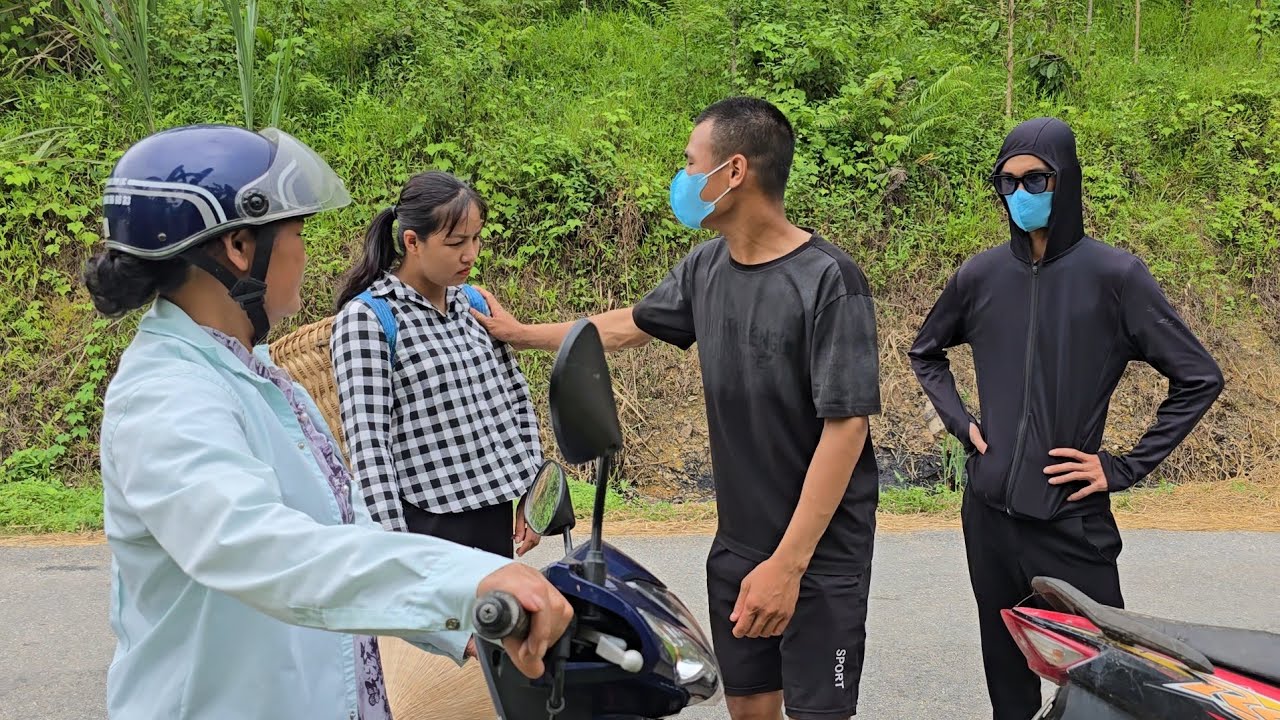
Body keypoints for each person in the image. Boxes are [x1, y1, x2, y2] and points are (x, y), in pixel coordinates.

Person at [84, 124, 572, 720]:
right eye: (297, 234)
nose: (305, 254)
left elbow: (345, 526)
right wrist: (465, 584)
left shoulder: (259, 374)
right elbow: (265, 548)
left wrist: (459, 621)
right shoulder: (169, 396)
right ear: (240, 247)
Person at [470, 97, 882, 720]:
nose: (682, 178)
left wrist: (788, 565)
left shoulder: (829, 281)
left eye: (691, 163)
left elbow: (846, 428)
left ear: (734, 171)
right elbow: (627, 326)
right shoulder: (706, 266)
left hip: (818, 555)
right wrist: (523, 334)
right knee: (750, 709)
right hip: (739, 543)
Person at [908, 117, 1224, 720]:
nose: (1020, 194)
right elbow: (926, 351)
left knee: (1106, 683)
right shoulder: (980, 276)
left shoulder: (1115, 277)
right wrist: (960, 422)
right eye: (1007, 183)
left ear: (1066, 180)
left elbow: (1198, 377)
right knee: (1007, 682)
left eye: (1036, 180)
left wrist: (1122, 468)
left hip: (1070, 520)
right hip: (988, 520)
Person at [330, 171, 543, 561]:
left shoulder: (474, 304)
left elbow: (514, 399)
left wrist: (533, 493)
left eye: (476, 238)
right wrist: (392, 550)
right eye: (456, 242)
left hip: (492, 510)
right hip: (428, 523)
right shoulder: (369, 318)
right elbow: (369, 443)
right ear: (413, 242)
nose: (470, 254)